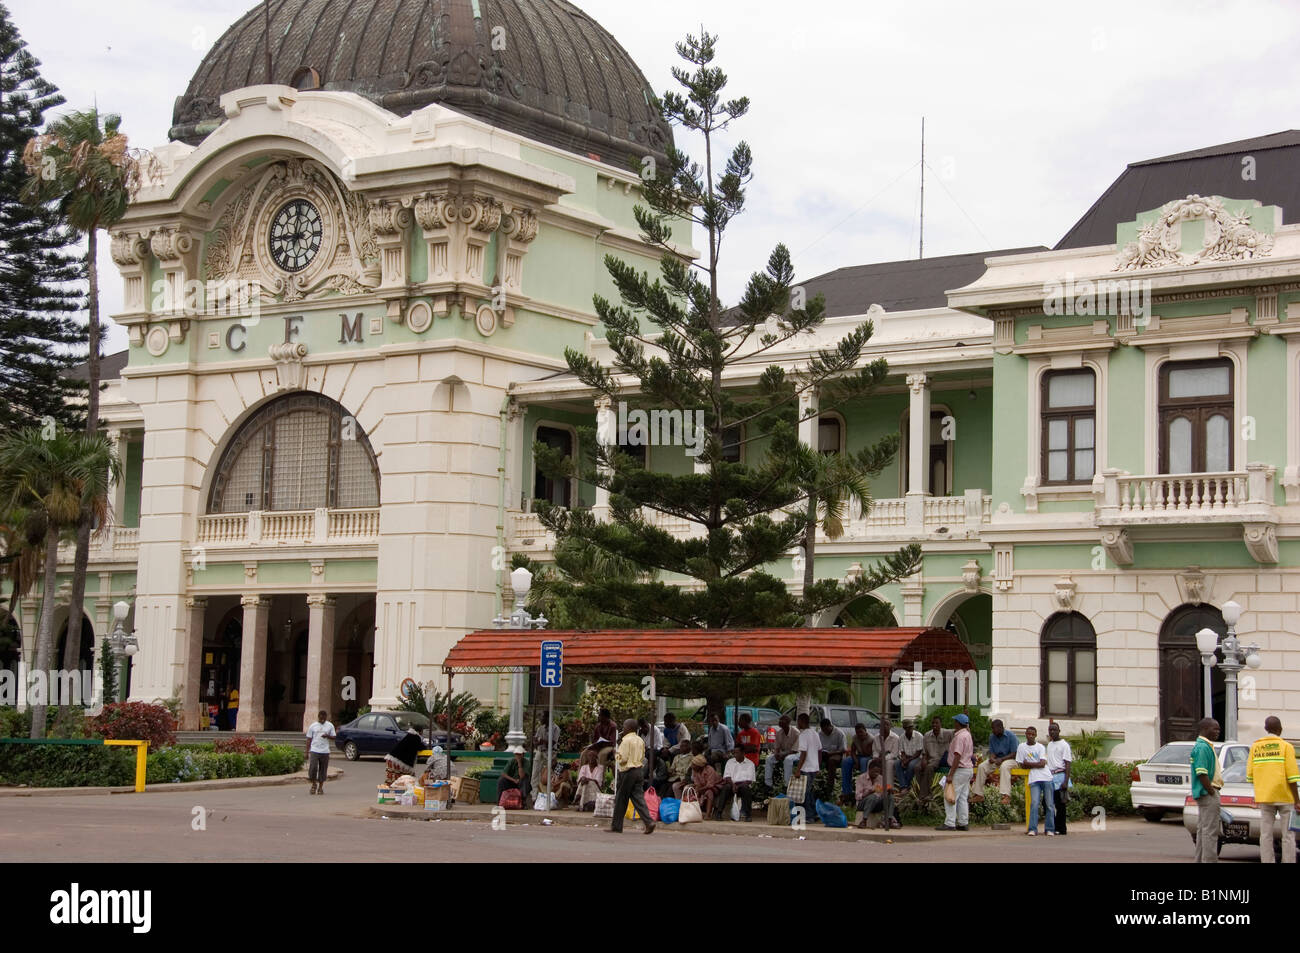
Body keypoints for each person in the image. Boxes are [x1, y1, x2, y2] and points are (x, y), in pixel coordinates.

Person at [1246, 715, 1300, 863]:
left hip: (1265, 797)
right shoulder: (1286, 747)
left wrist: (1261, 791)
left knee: (1265, 834)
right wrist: (1297, 800)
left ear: (1265, 729)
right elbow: (1292, 777)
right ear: (1280, 729)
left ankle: (1267, 860)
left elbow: (1250, 776)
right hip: (1285, 797)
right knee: (1288, 835)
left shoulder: (1255, 747)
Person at [607, 719, 655, 834]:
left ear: (628, 728)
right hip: (639, 770)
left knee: (621, 799)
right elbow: (643, 756)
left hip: (627, 772)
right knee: (638, 798)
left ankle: (616, 826)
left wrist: (615, 753)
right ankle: (649, 822)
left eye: (624, 726)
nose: (623, 729)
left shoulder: (626, 740)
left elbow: (621, 759)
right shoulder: (640, 740)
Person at [1191, 717, 1222, 863]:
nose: (1218, 731)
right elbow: (1201, 772)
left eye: (1218, 729)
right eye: (1214, 728)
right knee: (1210, 832)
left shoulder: (1204, 746)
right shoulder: (1203, 747)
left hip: (1205, 793)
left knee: (1203, 831)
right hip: (1208, 793)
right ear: (1204, 729)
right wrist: (1211, 791)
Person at [936, 713, 972, 832]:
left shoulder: (959, 737)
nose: (954, 723)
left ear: (958, 723)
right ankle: (963, 822)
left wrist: (951, 774)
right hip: (967, 769)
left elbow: (957, 756)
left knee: (950, 795)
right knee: (962, 797)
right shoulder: (967, 735)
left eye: (955, 721)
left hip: (959, 770)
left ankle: (950, 823)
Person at [1017, 725, 1055, 836]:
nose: (1030, 736)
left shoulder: (1040, 747)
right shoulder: (1021, 747)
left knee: (1049, 804)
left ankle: (1049, 829)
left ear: (1036, 735)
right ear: (1025, 734)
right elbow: (1021, 765)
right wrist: (1034, 764)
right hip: (1034, 779)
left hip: (1046, 777)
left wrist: (1028, 763)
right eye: (1028, 734)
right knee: (1034, 803)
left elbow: (1043, 764)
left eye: (1033, 734)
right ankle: (1032, 828)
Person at [972, 719, 1019, 806]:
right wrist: (992, 759)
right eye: (992, 728)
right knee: (982, 766)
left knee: (1004, 766)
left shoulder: (1011, 736)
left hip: (1011, 760)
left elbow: (1014, 753)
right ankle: (979, 794)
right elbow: (992, 753)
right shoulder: (992, 737)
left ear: (1000, 727)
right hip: (997, 760)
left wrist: (1001, 759)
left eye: (994, 728)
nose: (992, 730)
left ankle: (1006, 795)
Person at [794, 712, 821, 824]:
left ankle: (809, 816)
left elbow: (803, 754)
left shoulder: (803, 735)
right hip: (814, 767)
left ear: (802, 721)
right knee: (808, 792)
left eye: (798, 721)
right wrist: (818, 766)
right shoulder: (815, 733)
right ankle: (814, 814)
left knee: (805, 793)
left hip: (806, 767)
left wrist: (798, 769)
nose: (797, 724)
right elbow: (820, 751)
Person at [854, 760, 899, 829]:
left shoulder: (880, 778)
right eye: (874, 772)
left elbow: (882, 793)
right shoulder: (861, 778)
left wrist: (889, 791)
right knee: (873, 796)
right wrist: (869, 792)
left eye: (878, 772)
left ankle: (889, 820)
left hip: (876, 803)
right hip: (863, 803)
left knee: (890, 797)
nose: (876, 774)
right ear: (869, 769)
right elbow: (857, 796)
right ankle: (864, 820)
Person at [1045, 722, 1072, 835]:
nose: (1052, 732)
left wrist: (1065, 781)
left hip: (1060, 776)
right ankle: (1053, 826)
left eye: (1054, 730)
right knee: (1049, 803)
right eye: (1050, 730)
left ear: (1059, 731)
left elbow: (1067, 763)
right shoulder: (1050, 744)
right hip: (1050, 776)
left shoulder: (1064, 745)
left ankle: (1062, 828)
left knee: (1061, 805)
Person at [918, 715, 953, 803]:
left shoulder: (947, 733)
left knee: (929, 768)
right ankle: (921, 790)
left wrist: (966, 719)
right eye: (933, 723)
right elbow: (924, 752)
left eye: (937, 723)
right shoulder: (927, 735)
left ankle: (925, 794)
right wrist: (924, 760)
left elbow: (960, 731)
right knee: (917, 768)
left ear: (941, 724)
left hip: (940, 759)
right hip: (929, 758)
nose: (934, 725)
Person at [719, 746, 756, 821]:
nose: (735, 755)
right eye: (734, 753)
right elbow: (727, 776)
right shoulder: (730, 762)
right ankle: (719, 813)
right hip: (731, 784)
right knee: (725, 788)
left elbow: (749, 780)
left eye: (737, 753)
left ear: (743, 753)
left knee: (746, 789)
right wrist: (733, 785)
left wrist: (738, 787)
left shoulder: (750, 764)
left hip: (743, 785)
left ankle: (748, 815)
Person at [304, 710, 335, 795]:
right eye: (321, 718)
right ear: (318, 717)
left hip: (325, 751)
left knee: (323, 769)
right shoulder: (313, 726)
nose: (322, 720)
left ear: (326, 718)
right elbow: (309, 739)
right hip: (314, 750)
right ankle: (314, 784)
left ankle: (320, 787)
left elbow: (334, 737)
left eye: (324, 719)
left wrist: (327, 736)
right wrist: (306, 752)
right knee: (313, 768)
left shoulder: (330, 725)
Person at [530, 711, 561, 795]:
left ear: (547, 718)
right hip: (540, 751)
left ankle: (548, 794)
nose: (540, 719)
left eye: (542, 717)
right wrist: (537, 741)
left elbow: (552, 743)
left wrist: (541, 741)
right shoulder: (541, 728)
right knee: (535, 774)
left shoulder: (555, 728)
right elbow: (535, 740)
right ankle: (534, 795)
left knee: (548, 775)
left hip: (550, 753)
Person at [766, 714, 800, 787]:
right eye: (779, 721)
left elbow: (795, 750)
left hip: (796, 754)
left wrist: (783, 754)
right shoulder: (779, 733)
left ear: (787, 723)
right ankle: (768, 784)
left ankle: (787, 785)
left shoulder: (796, 732)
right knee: (769, 759)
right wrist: (776, 754)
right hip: (783, 753)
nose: (780, 722)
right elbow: (777, 747)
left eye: (782, 721)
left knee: (788, 760)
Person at [841, 724, 874, 800]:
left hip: (869, 757)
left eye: (861, 732)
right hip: (859, 756)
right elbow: (852, 751)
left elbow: (868, 753)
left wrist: (858, 761)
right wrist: (856, 761)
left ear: (865, 731)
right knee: (846, 762)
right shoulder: (855, 738)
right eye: (857, 732)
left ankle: (863, 791)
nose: (859, 734)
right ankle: (846, 792)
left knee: (863, 762)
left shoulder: (871, 739)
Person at [689, 754, 724, 819]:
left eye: (694, 765)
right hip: (704, 786)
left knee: (709, 792)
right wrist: (697, 790)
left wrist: (699, 789)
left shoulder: (710, 769)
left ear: (699, 765)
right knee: (690, 789)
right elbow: (697, 783)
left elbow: (710, 785)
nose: (692, 766)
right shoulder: (694, 770)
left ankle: (708, 814)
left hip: (717, 785)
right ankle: (695, 812)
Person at [817, 718, 846, 790]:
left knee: (831, 761)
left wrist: (831, 753)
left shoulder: (839, 733)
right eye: (823, 730)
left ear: (830, 726)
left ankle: (830, 785)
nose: (825, 732)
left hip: (836, 754)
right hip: (823, 753)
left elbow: (843, 750)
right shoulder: (820, 733)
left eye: (826, 730)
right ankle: (815, 781)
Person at [897, 719, 925, 790]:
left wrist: (908, 760)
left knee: (911, 765)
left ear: (913, 727)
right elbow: (902, 751)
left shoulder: (919, 736)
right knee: (896, 763)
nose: (909, 729)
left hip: (917, 757)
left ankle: (907, 785)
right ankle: (903, 785)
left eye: (910, 727)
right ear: (904, 728)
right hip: (907, 757)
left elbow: (918, 752)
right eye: (907, 727)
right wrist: (903, 759)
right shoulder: (901, 737)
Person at [873, 718, 901, 789]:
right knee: (871, 762)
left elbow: (894, 753)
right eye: (883, 725)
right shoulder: (876, 737)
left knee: (888, 764)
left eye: (887, 724)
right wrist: (876, 758)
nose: (885, 726)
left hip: (892, 759)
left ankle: (889, 788)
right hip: (879, 758)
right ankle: (874, 787)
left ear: (890, 726)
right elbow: (875, 750)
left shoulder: (895, 737)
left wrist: (883, 758)